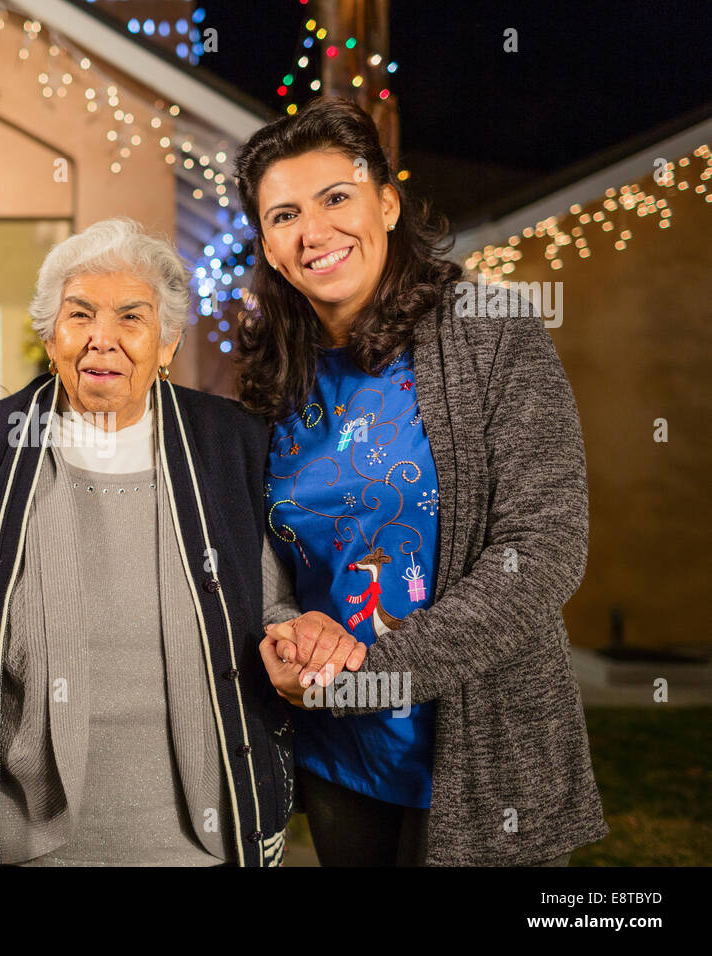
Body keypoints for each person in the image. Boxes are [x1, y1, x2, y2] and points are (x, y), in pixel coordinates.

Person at [0, 218, 364, 867]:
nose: (100, 340)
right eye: (78, 316)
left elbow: (271, 611)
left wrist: (300, 643)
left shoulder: (229, 446)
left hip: (208, 847)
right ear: (51, 338)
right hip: (30, 850)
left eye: (130, 318)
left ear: (166, 344)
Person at [234, 95, 608, 866]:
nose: (315, 232)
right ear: (269, 248)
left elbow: (545, 549)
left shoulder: (490, 333)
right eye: (284, 216)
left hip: (484, 748)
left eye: (337, 198)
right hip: (340, 753)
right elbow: (259, 543)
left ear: (389, 203)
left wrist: (375, 672)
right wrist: (285, 629)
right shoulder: (275, 376)